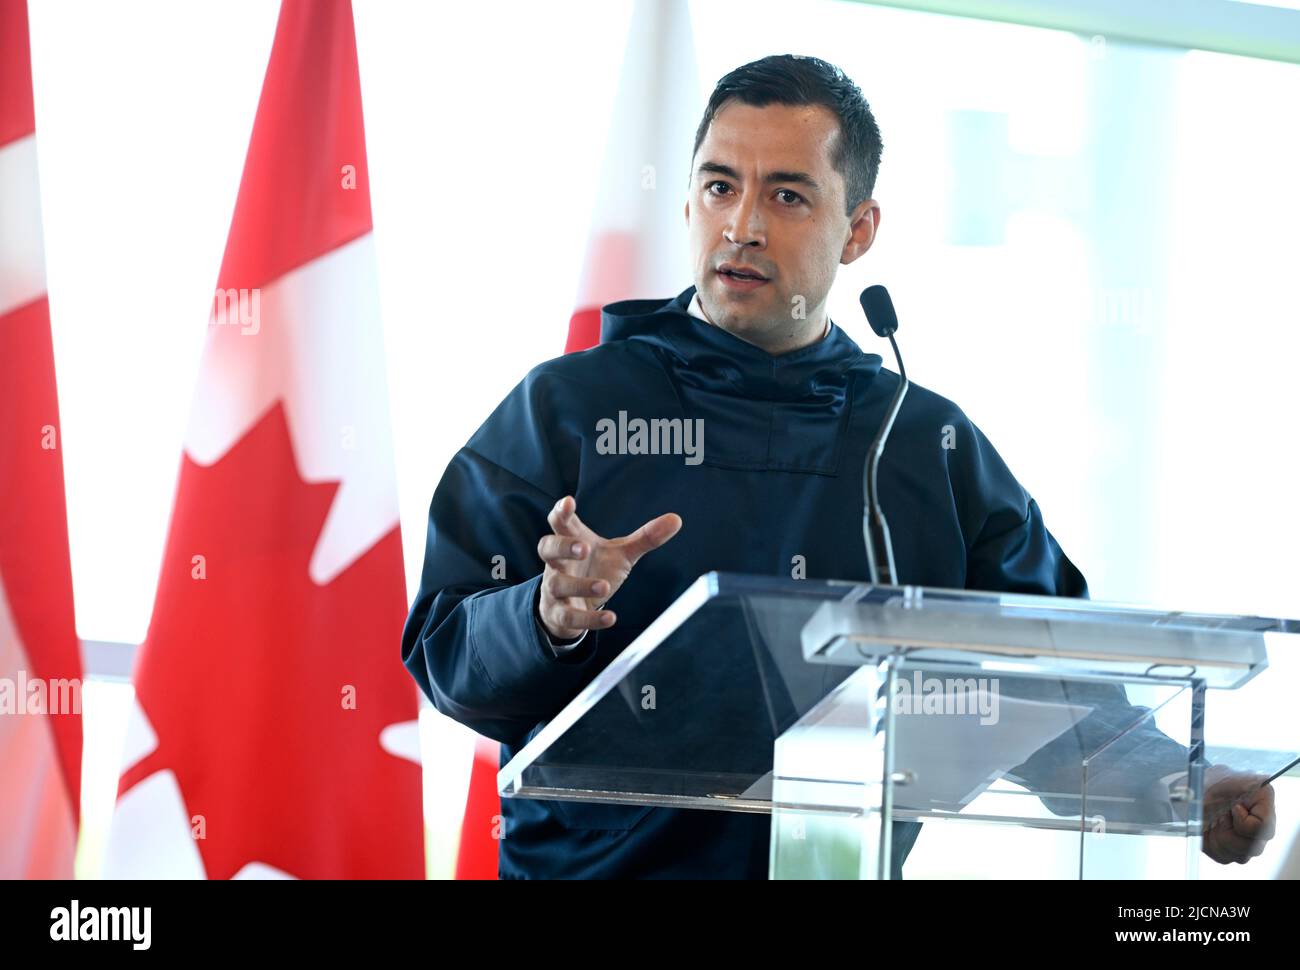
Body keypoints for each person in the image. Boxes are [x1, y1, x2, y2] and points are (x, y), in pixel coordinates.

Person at [401, 54, 1275, 878]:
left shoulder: (922, 441)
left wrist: (1182, 785)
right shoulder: (569, 409)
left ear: (858, 231)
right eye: (719, 186)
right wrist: (545, 616)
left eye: (787, 195)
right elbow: (442, 648)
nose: (741, 225)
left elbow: (1045, 678)